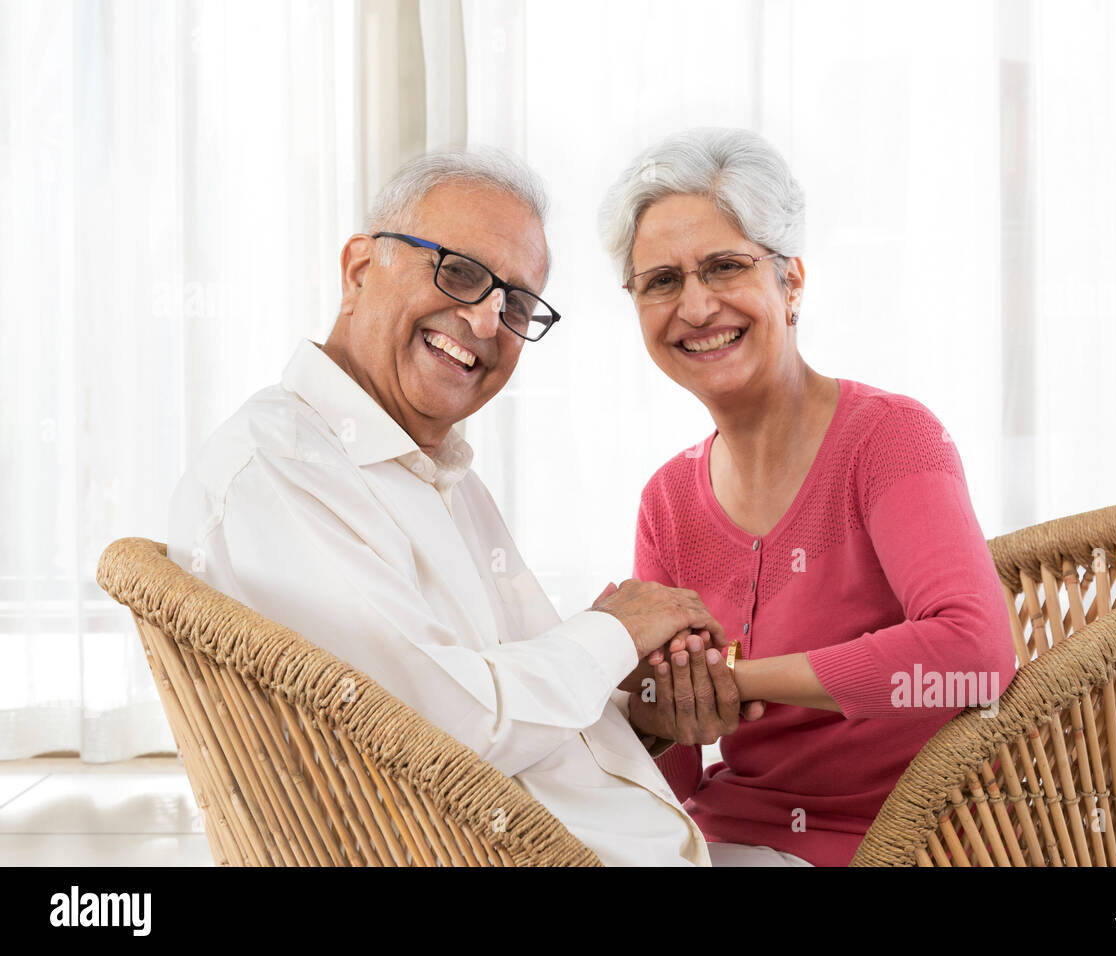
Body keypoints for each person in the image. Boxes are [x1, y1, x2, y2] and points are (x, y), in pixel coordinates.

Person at [167, 148, 801, 866]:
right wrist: (612, 632)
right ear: (358, 270)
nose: (483, 320)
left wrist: (642, 714)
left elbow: (492, 698)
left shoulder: (430, 469)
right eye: (460, 271)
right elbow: (447, 729)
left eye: (517, 304)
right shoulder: (280, 472)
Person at [597, 127, 1018, 866]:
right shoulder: (667, 500)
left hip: (909, 838)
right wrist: (650, 704)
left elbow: (976, 656)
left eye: (723, 267)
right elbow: (674, 770)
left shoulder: (890, 438)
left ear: (790, 283)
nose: (694, 307)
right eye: (660, 281)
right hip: (727, 836)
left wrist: (739, 681)